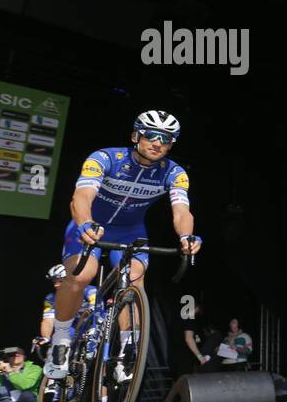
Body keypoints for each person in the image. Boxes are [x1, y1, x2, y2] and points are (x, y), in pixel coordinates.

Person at [42, 111, 202, 381]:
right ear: (135, 136)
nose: (158, 143)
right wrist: (85, 222)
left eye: (167, 139)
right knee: (81, 275)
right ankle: (60, 340)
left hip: (130, 231)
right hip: (91, 223)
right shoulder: (104, 158)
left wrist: (187, 236)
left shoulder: (175, 172)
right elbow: (81, 197)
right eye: (151, 135)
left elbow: (182, 212)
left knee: (135, 281)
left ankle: (128, 349)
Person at [36, 263, 103, 362]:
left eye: (60, 281)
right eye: (54, 281)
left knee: (94, 327)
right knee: (57, 345)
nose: (56, 285)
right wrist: (45, 337)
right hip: (75, 325)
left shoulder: (88, 290)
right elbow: (48, 321)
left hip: (94, 320)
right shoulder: (51, 299)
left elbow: (96, 310)